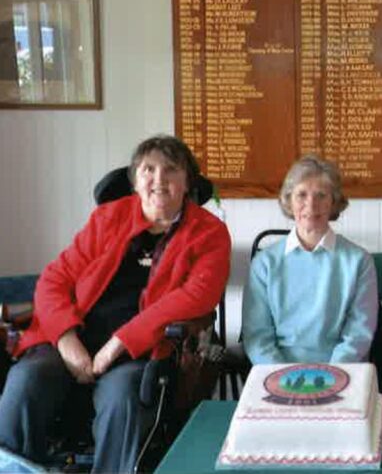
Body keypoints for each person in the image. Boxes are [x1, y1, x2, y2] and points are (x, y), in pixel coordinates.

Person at [0, 135, 231, 473]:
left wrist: (119, 343)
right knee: (27, 381)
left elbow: (197, 295)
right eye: (148, 169)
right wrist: (66, 340)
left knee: (122, 398)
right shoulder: (109, 218)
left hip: (142, 350)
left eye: (171, 170)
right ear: (135, 180)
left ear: (187, 182)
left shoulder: (208, 232)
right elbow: (53, 280)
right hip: (72, 338)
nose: (158, 179)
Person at [242, 155, 378, 364]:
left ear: (334, 201)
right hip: (276, 374)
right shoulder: (265, 264)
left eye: (321, 195)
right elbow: (257, 336)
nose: (311, 205)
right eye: (301, 195)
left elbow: (358, 334)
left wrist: (329, 376)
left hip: (341, 372)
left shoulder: (359, 261)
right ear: (288, 200)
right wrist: (282, 376)